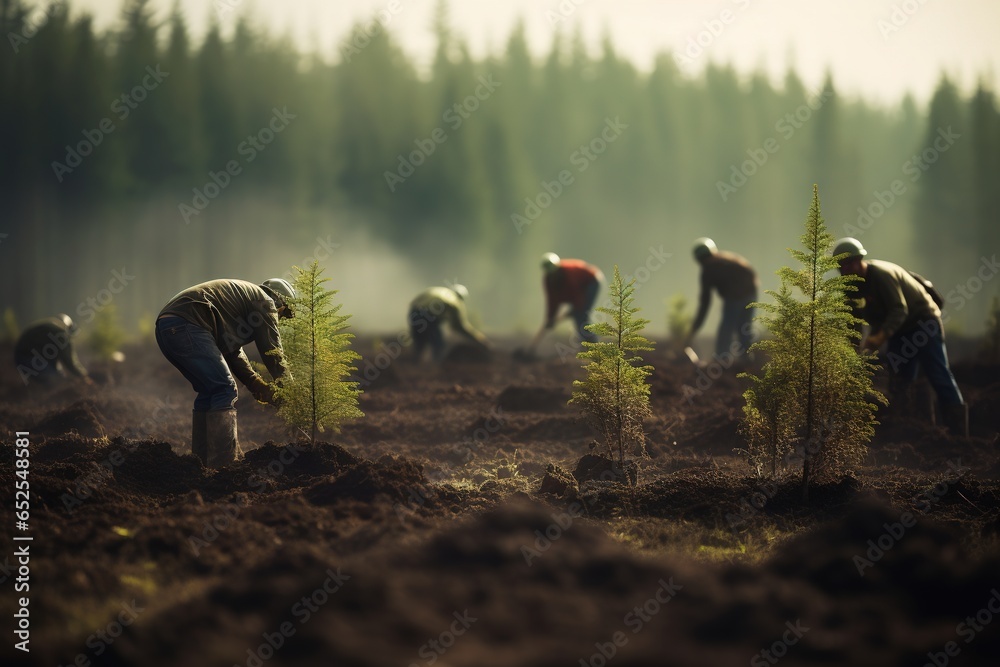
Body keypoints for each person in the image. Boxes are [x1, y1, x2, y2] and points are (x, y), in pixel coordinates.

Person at [155, 278, 295, 468]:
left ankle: (201, 462)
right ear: (281, 304)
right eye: (283, 315)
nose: (279, 320)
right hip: (188, 325)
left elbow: (231, 350)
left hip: (167, 327)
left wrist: (255, 383)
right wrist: (291, 393)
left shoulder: (245, 301)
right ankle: (223, 463)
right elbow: (274, 353)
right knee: (224, 389)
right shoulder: (266, 302)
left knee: (209, 390)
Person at [832, 237, 965, 432]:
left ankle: (959, 433)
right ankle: (905, 429)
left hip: (923, 323)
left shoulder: (881, 275)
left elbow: (899, 310)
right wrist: (853, 351)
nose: (845, 269)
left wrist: (880, 336)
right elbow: (852, 322)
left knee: (938, 373)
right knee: (899, 380)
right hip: (899, 331)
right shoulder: (850, 289)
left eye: (849, 263)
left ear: (859, 260)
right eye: (841, 266)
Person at [685, 238, 759, 360]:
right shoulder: (727, 260)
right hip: (751, 291)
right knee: (744, 328)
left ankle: (722, 358)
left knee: (728, 328)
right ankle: (746, 360)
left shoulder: (709, 270)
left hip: (739, 296)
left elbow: (705, 302)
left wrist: (694, 329)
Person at [529, 252, 604, 351]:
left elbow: (576, 296)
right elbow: (552, 300)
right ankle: (588, 345)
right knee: (578, 316)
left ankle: (593, 346)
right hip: (579, 289)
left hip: (592, 281)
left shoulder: (569, 275)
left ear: (558, 268)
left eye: (554, 272)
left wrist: (574, 309)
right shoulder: (548, 280)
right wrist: (550, 318)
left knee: (581, 316)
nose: (553, 275)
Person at [408, 284, 490, 362]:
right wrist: (480, 340)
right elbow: (460, 326)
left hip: (414, 312)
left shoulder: (438, 290)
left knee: (419, 341)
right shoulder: (455, 301)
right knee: (438, 344)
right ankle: (435, 365)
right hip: (429, 316)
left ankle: (414, 363)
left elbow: (415, 302)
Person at [14, 314, 93, 386]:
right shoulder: (61, 334)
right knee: (55, 380)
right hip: (31, 358)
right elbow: (69, 362)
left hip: (21, 357)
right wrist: (84, 376)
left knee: (56, 376)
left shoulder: (49, 326)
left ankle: (35, 389)